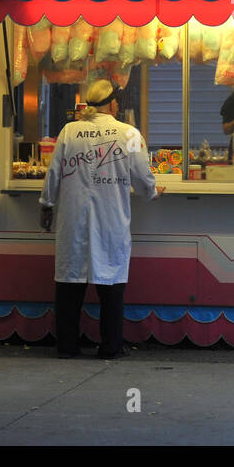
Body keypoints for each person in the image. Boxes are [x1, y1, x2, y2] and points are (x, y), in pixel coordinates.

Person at [39, 78, 163, 360]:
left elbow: (53, 175)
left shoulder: (69, 132)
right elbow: (143, 178)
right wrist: (152, 192)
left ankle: (67, 347)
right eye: (117, 100)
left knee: (71, 283)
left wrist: (46, 205)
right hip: (111, 219)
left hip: (73, 219)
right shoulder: (128, 134)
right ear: (111, 104)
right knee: (111, 285)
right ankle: (110, 347)